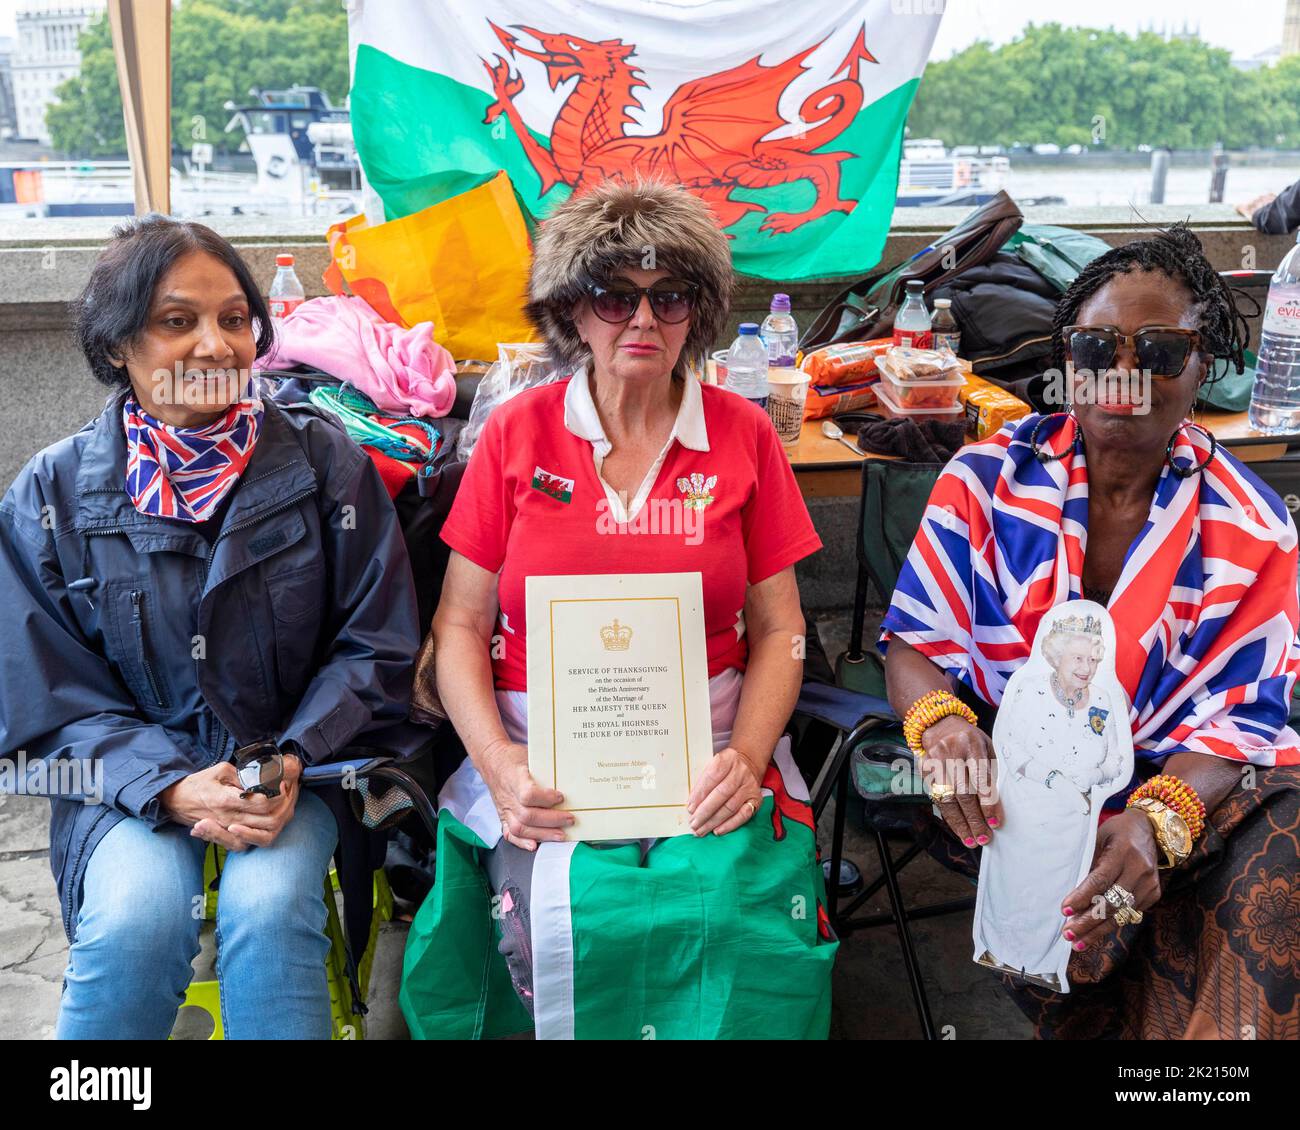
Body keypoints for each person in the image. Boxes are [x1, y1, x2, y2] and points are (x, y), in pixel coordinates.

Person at [400, 177, 836, 1040]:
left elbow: (782, 630)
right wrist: (499, 765)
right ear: (572, 310)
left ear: (698, 313)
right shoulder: (516, 432)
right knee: (562, 920)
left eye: (669, 297)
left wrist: (748, 758)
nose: (642, 320)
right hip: (539, 753)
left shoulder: (745, 434)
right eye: (613, 296)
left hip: (709, 748)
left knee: (731, 917)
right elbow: (458, 626)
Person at [0, 215, 422, 1039]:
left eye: (234, 319)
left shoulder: (325, 465)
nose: (215, 345)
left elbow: (377, 645)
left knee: (270, 910)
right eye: (177, 320)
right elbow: (40, 701)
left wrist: (288, 757)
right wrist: (166, 784)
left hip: (297, 776)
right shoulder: (50, 494)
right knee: (135, 919)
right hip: (129, 788)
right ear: (117, 344)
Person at [882, 222, 1300, 1039]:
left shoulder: (1253, 528)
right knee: (1079, 904)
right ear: (1068, 359)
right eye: (1097, 346)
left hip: (1179, 776)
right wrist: (942, 727)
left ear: (1204, 366)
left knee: (1277, 862)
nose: (1124, 373)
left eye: (1161, 351)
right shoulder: (986, 481)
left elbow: (1242, 718)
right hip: (1015, 770)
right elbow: (915, 643)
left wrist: (1157, 819)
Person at [973, 613, 1128, 990]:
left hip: (1072, 820)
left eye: (1093, 660)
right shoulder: (1029, 690)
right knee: (1012, 886)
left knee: (1053, 894)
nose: (1086, 667)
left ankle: (1044, 963)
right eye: (1078, 658)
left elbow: (1115, 761)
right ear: (1057, 657)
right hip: (1023, 809)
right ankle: (998, 948)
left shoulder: (1103, 700)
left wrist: (1091, 776)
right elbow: (1011, 747)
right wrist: (1053, 779)